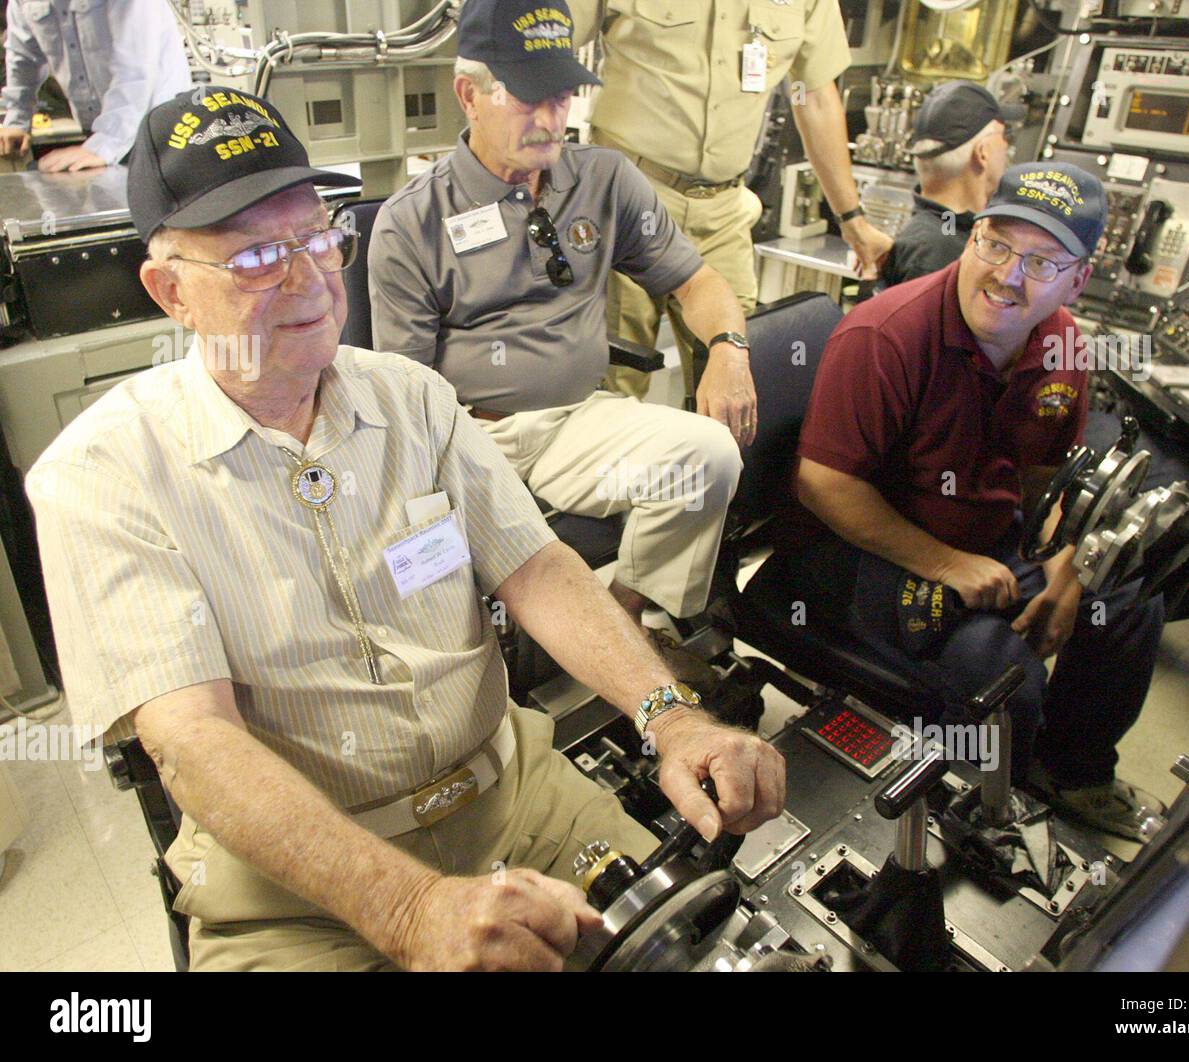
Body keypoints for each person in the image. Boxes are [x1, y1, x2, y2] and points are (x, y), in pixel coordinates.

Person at [25, 86, 785, 971]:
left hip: (517, 799)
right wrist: (407, 905)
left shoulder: (413, 398)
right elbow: (193, 739)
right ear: (169, 290)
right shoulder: (102, 477)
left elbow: (536, 568)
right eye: (260, 255)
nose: (310, 280)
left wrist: (672, 717)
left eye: (319, 235)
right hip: (296, 891)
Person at [368, 0, 755, 678]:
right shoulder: (413, 221)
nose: (551, 119)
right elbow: (402, 396)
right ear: (470, 95)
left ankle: (620, 621)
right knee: (407, 568)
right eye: (527, 99)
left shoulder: (604, 180)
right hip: (467, 436)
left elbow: (698, 283)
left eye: (561, 95)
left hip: (579, 423)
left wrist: (728, 348)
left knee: (709, 457)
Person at [783, 162, 1167, 842]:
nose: (1007, 275)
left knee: (1129, 600)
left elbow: (1047, 481)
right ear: (970, 238)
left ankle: (1072, 771)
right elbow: (822, 485)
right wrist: (946, 565)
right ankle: (984, 822)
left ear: (1079, 280)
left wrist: (1064, 570)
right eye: (995, 244)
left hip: (987, 540)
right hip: (863, 553)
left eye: (1042, 262)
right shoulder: (887, 336)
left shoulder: (1064, 345)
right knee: (998, 675)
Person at [569, 0, 894, 399]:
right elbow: (544, 41)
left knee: (737, 382)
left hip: (724, 211)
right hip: (626, 199)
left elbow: (815, 97)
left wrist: (853, 221)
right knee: (613, 386)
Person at [0, 0, 192, 171]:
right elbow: (24, 58)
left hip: (163, 133)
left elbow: (134, 67)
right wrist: (18, 119)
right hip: (101, 130)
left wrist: (105, 145)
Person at [876, 81, 1018, 291]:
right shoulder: (938, 254)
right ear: (982, 152)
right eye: (1003, 136)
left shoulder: (947, 224)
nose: (1006, 145)